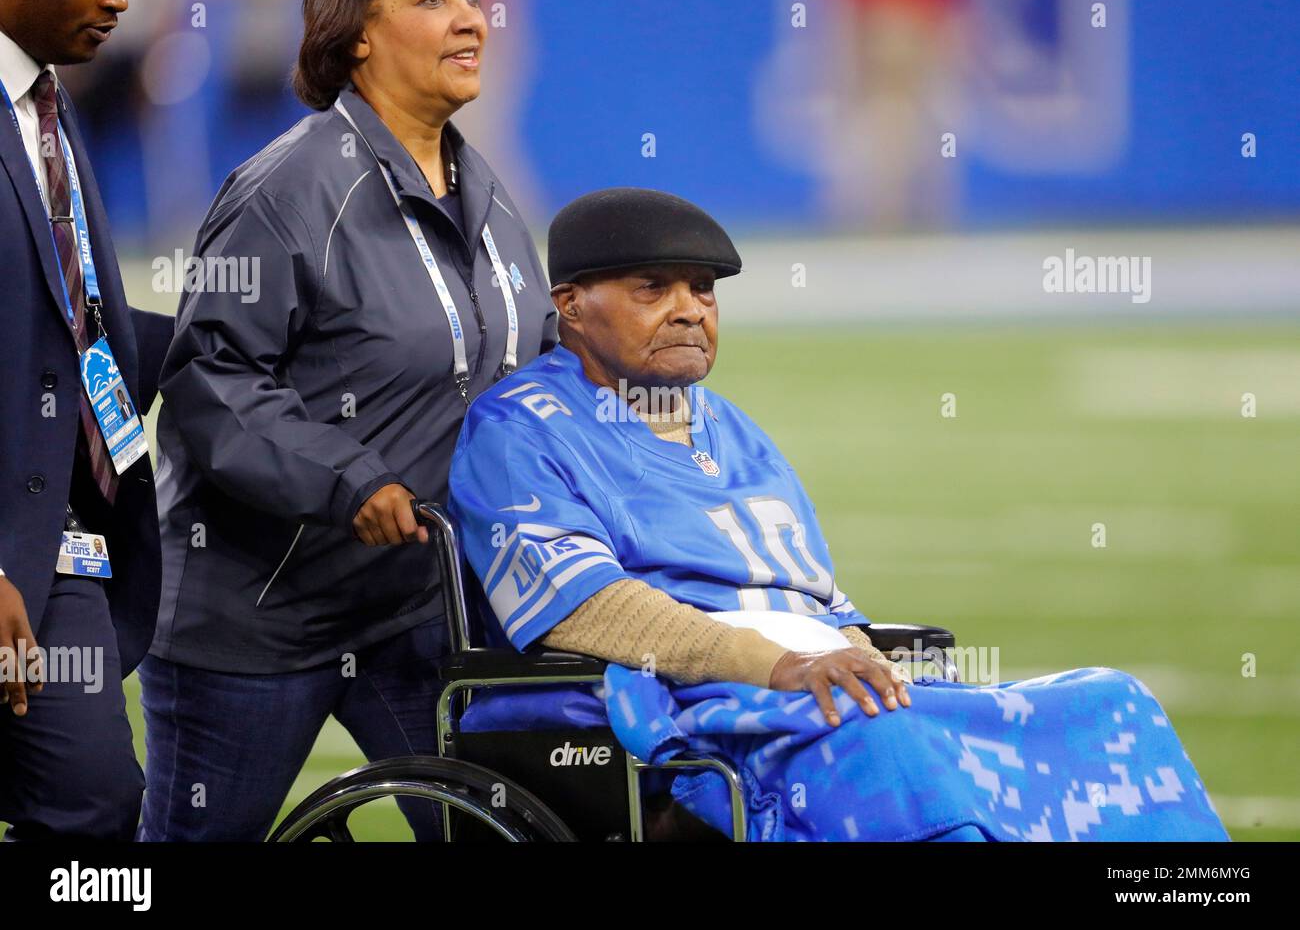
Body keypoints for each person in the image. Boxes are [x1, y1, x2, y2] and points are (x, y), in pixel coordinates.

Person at [448, 187, 1230, 841]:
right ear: (572, 305)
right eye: (654, 289)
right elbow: (587, 612)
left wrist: (859, 662)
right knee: (884, 739)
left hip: (800, 687)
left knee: (1109, 704)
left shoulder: (731, 427)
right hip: (663, 705)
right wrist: (780, 665)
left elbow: (820, 602)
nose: (689, 311)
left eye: (704, 290)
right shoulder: (521, 428)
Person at [139, 0, 556, 841]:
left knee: (493, 832)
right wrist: (350, 480)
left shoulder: (487, 194)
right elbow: (211, 381)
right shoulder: (286, 191)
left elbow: (529, 369)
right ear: (356, 34)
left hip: (414, 609)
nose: (471, 16)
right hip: (257, 619)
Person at [0, 0, 169, 840]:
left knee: (96, 804)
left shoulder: (47, 101)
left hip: (60, 537)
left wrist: (229, 339)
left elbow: (68, 321)